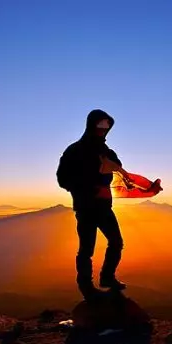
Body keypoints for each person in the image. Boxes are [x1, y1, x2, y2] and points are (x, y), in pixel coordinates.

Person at [57, 109, 126, 300]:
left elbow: (119, 168)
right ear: (91, 124)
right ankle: (86, 287)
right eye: (100, 125)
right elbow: (62, 179)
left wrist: (112, 161)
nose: (103, 129)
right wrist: (89, 189)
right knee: (87, 249)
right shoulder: (74, 151)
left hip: (104, 206)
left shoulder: (106, 151)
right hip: (86, 207)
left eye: (107, 126)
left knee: (116, 242)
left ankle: (107, 278)